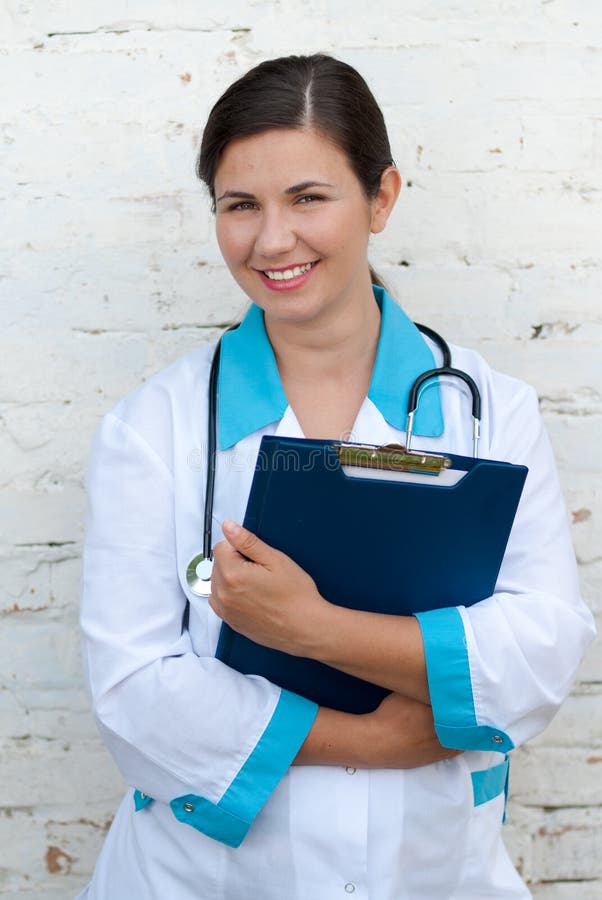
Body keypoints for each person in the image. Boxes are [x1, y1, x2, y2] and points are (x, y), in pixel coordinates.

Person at [78, 54, 595, 899]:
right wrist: (374, 740)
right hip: (200, 879)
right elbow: (135, 692)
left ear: (382, 198)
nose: (271, 239)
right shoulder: (153, 430)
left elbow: (543, 647)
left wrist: (311, 627)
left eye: (308, 198)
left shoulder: (493, 411)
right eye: (239, 205)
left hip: (432, 872)